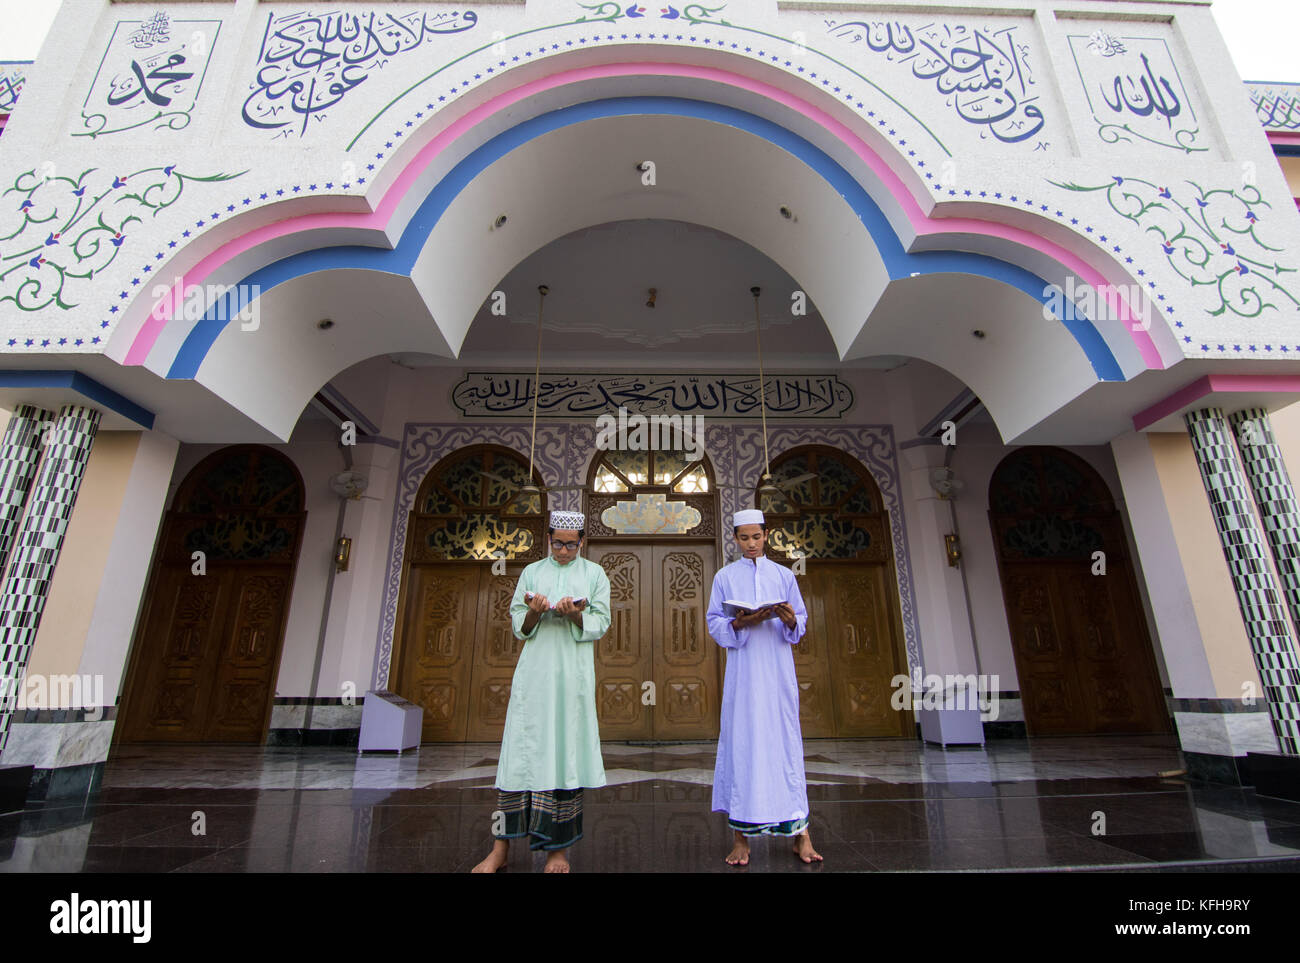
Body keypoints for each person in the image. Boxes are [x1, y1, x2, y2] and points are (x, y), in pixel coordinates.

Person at [471, 510, 611, 873]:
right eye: (557, 543)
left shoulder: (594, 574)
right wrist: (535, 611)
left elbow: (601, 622)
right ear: (548, 538)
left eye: (570, 544)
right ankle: (499, 849)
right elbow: (519, 625)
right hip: (533, 678)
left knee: (564, 755)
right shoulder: (532, 572)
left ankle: (558, 852)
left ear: (582, 541)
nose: (563, 551)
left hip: (572, 679)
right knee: (518, 757)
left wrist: (574, 614)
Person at [707, 508, 823, 866]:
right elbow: (715, 622)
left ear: (767, 535)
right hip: (743, 677)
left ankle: (801, 835)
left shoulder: (784, 575)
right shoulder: (725, 577)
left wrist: (789, 620)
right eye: (744, 538)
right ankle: (741, 839)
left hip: (777, 675)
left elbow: (799, 621)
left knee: (784, 746)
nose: (752, 544)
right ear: (736, 538)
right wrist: (744, 622)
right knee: (743, 746)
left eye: (757, 537)